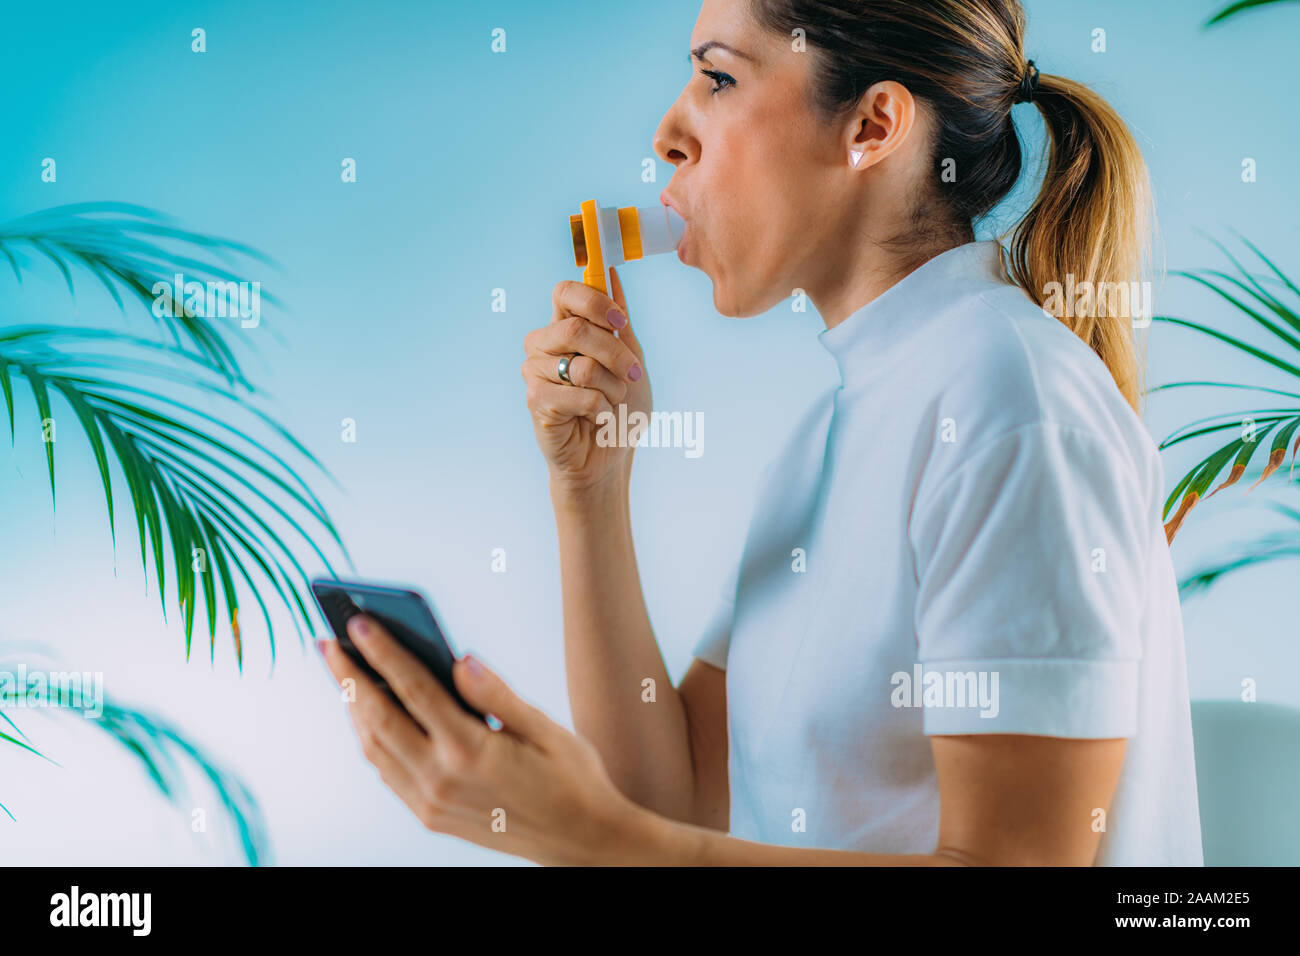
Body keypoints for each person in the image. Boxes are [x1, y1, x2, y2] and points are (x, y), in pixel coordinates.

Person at [320, 0, 1202, 866]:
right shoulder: (827, 437)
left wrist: (592, 840)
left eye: (717, 77)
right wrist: (591, 491)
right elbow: (676, 800)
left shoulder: (1010, 406)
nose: (668, 131)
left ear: (873, 126)